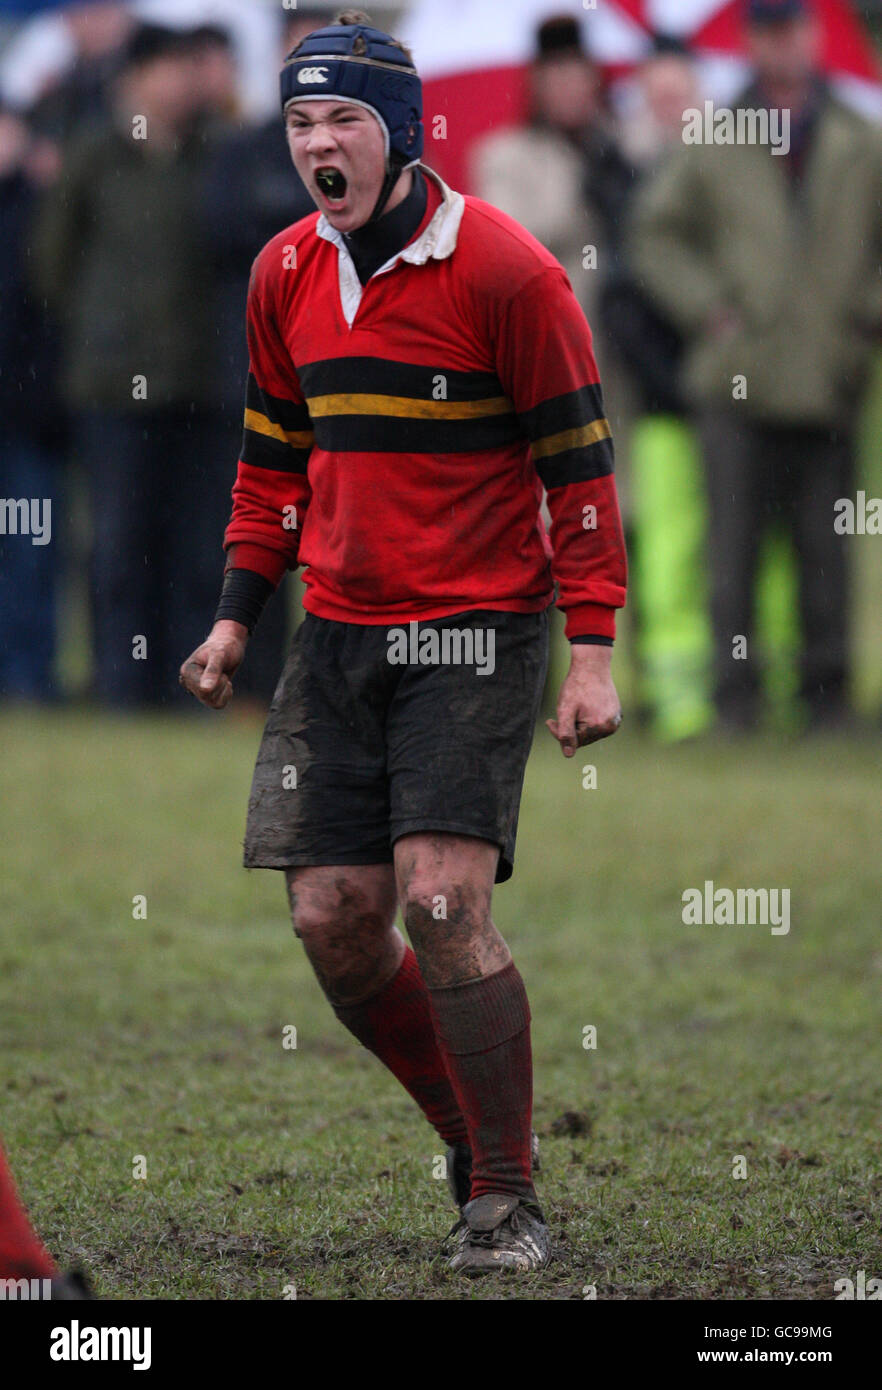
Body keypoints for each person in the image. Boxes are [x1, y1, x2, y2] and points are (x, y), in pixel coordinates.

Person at [180, 9, 626, 1275]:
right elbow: (273, 458)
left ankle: (505, 1195)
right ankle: (470, 1140)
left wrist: (589, 653)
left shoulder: (508, 272)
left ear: (404, 133)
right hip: (338, 631)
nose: (318, 146)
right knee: (332, 913)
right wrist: (232, 617)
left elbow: (582, 475)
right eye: (300, 122)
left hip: (477, 627)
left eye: (344, 123)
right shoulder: (283, 273)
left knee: (439, 898)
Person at [630, 0, 882, 732]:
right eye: (766, 31)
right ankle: (732, 701)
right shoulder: (715, 136)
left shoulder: (858, 137)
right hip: (735, 381)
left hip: (830, 378)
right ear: (749, 41)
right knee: (730, 552)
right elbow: (654, 234)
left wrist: (864, 314)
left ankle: (826, 699)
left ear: (811, 34)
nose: (782, 45)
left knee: (825, 553)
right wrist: (707, 305)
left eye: (792, 28)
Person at [34, 22, 225, 707]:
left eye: (186, 69)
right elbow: (51, 263)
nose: (180, 84)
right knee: (117, 542)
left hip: (196, 382)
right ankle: (119, 684)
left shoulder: (211, 150)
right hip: (111, 386)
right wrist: (104, 327)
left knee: (195, 545)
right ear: (134, 79)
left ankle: (187, 687)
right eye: (166, 70)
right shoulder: (92, 154)